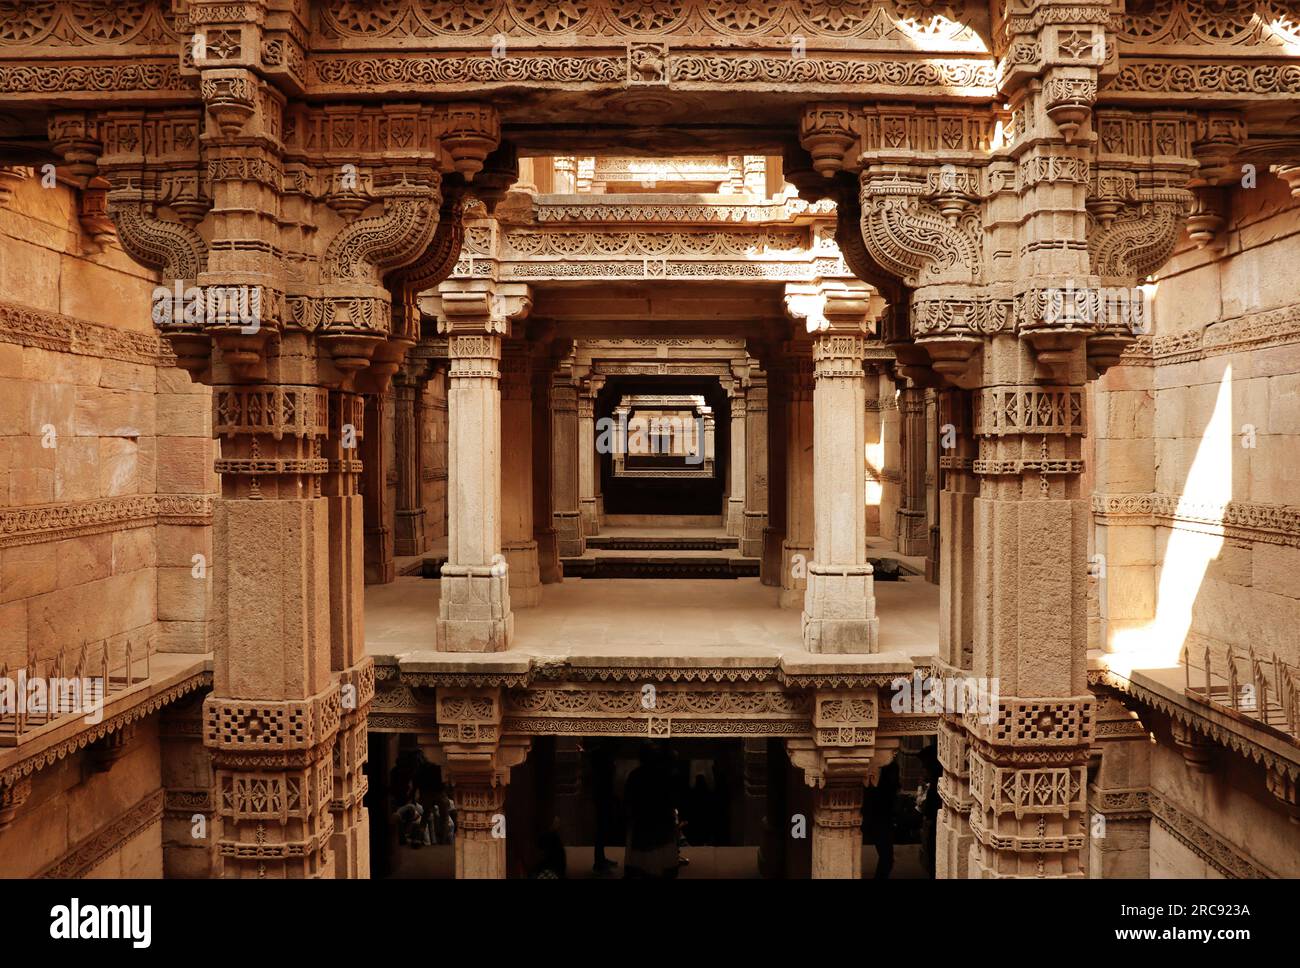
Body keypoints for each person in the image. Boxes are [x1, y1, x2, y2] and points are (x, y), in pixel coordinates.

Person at [622, 743, 679, 878]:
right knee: (660, 865)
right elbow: (672, 800)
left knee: (643, 866)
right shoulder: (664, 775)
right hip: (660, 826)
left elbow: (628, 801)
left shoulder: (635, 775)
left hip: (643, 827)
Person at [590, 739, 619, 874]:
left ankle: (601, 859)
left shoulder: (601, 754)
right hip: (602, 797)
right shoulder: (601, 755)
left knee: (604, 829)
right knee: (601, 830)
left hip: (604, 796)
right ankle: (599, 863)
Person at [867, 760, 900, 879]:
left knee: (886, 858)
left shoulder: (882, 786)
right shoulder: (884, 787)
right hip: (880, 819)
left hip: (880, 818)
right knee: (887, 858)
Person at [916, 741, 942, 878]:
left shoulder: (937, 784)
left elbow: (925, 806)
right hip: (933, 821)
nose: (922, 769)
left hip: (935, 822)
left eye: (924, 766)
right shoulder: (933, 783)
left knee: (933, 856)